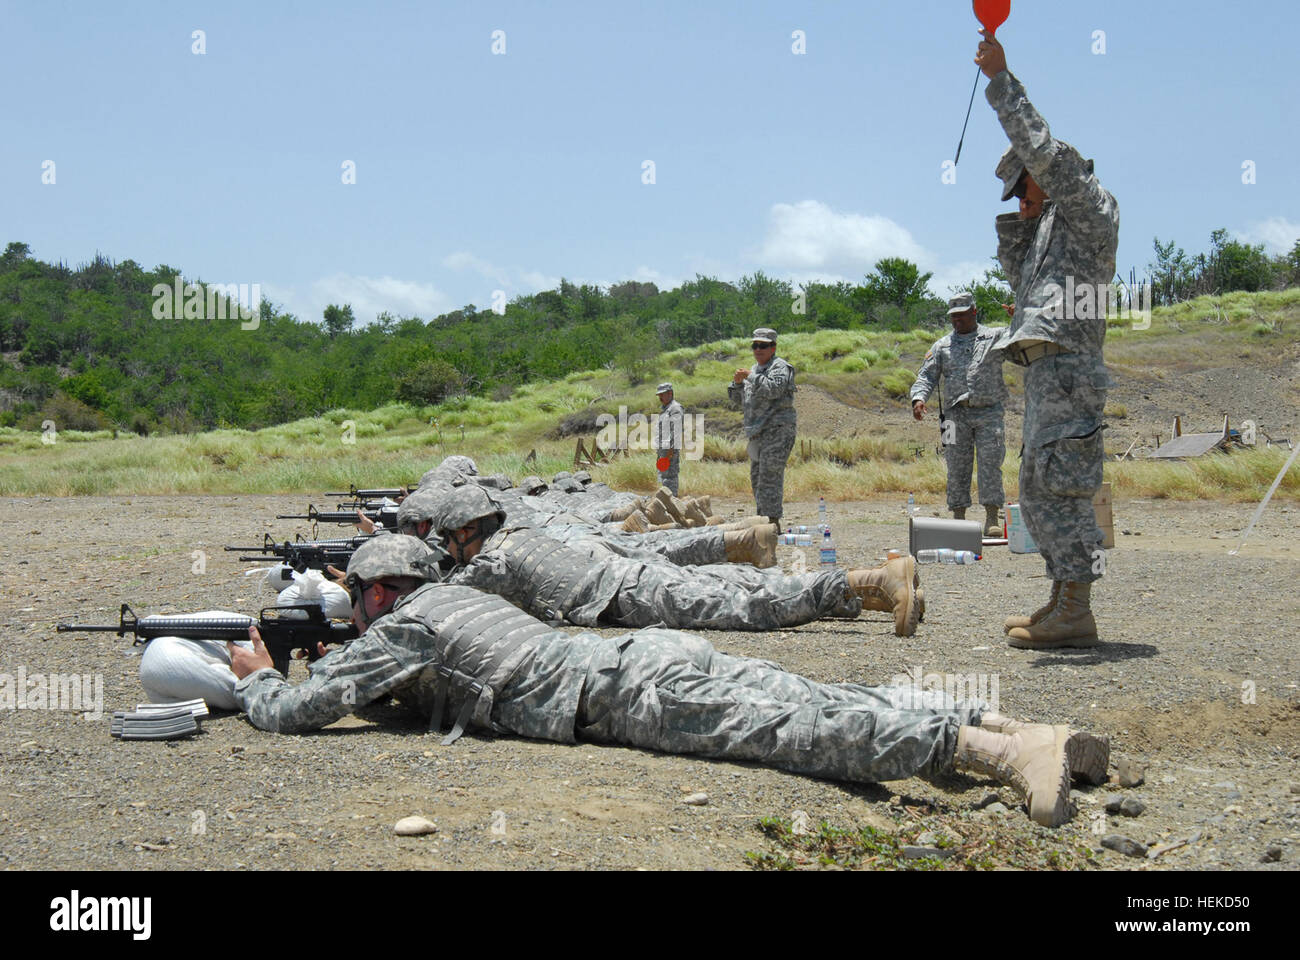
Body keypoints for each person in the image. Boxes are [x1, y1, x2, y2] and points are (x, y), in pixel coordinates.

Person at [227, 536, 1109, 827]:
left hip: (619, 693)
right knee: (804, 702)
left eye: (360, 600)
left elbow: (303, 712)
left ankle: (987, 748)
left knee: (798, 736)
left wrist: (260, 680)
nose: (357, 614)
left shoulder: (407, 624)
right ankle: (995, 721)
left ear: (383, 590)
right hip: (643, 659)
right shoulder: (451, 605)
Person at [975, 30, 1119, 649]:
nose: (1023, 198)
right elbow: (1014, 276)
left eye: (1026, 187)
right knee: (1036, 487)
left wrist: (1002, 83)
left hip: (1071, 372)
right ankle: (1062, 599)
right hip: (1044, 375)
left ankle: (1078, 609)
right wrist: (1019, 221)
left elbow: (1046, 154)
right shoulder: (1042, 239)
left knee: (1064, 483)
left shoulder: (1090, 208)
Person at [424, 484, 923, 636]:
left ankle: (873, 581)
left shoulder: (491, 561)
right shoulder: (518, 534)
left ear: (469, 531)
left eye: (451, 538)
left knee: (749, 606)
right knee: (742, 588)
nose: (449, 546)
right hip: (633, 576)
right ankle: (878, 592)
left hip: (632, 592)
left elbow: (445, 597)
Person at [910, 293, 1007, 535]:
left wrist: (1019, 317)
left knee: (991, 464)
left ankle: (992, 517)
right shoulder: (942, 346)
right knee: (956, 466)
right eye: (953, 316)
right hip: (954, 416)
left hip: (989, 412)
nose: (957, 320)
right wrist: (919, 398)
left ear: (974, 312)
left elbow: (1021, 338)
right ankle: (959, 519)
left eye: (962, 315)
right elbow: (926, 375)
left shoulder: (995, 336)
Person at [729, 328, 797, 525]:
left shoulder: (780, 367)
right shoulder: (754, 370)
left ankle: (771, 523)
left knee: (769, 477)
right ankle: (763, 520)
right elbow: (737, 400)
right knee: (757, 478)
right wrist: (736, 384)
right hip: (757, 434)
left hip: (778, 430)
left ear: (773, 347)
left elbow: (773, 389)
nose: (758, 349)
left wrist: (749, 376)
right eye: (755, 345)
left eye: (763, 346)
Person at [654, 382, 685, 495]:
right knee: (664, 481)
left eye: (662, 394)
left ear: (670, 393)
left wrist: (668, 455)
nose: (660, 397)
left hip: (669, 453)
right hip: (663, 452)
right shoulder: (665, 409)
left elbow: (676, 434)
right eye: (659, 395)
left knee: (670, 481)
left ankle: (672, 506)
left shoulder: (675, 408)